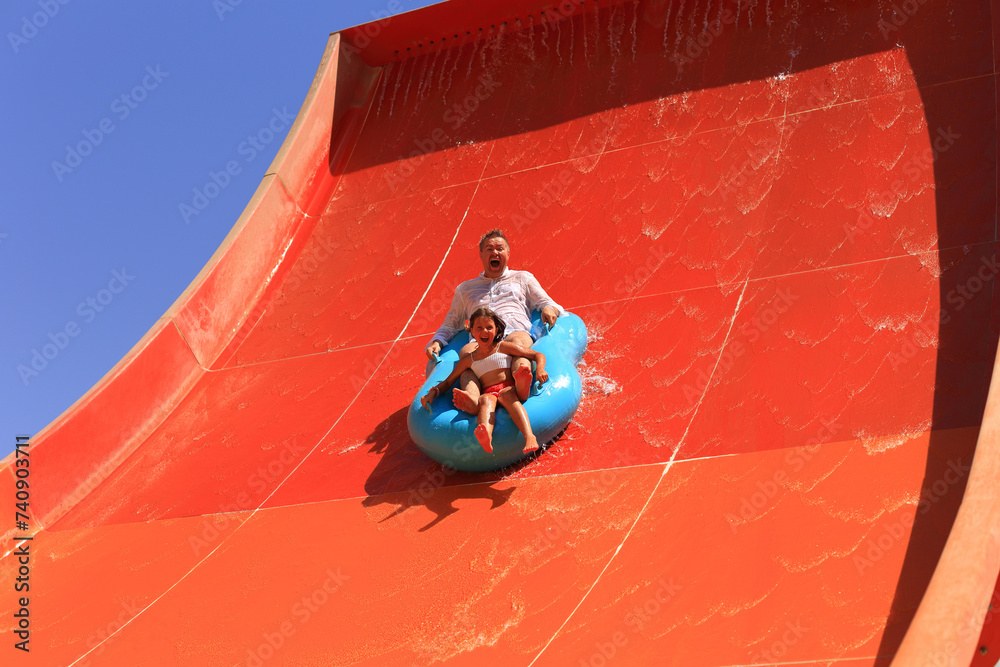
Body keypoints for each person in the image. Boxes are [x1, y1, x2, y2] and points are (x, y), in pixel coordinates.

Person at [424, 229, 563, 411]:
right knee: (466, 355)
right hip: (481, 340)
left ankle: (522, 379)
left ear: (508, 253)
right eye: (489, 249)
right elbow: (451, 323)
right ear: (481, 255)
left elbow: (549, 303)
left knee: (518, 342)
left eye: (500, 248)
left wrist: (547, 308)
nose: (495, 253)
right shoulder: (465, 289)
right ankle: (472, 399)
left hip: (513, 332)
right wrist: (437, 341)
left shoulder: (522, 278)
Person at [422, 308, 548, 453]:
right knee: (485, 400)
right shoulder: (469, 359)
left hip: (509, 387)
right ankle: (485, 436)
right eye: (479, 328)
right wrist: (433, 392)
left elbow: (538, 355)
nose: (485, 331)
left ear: (497, 329)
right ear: (472, 331)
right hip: (489, 391)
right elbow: (449, 381)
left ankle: (529, 436)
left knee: (507, 395)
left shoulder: (504, 347)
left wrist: (540, 369)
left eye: (489, 327)